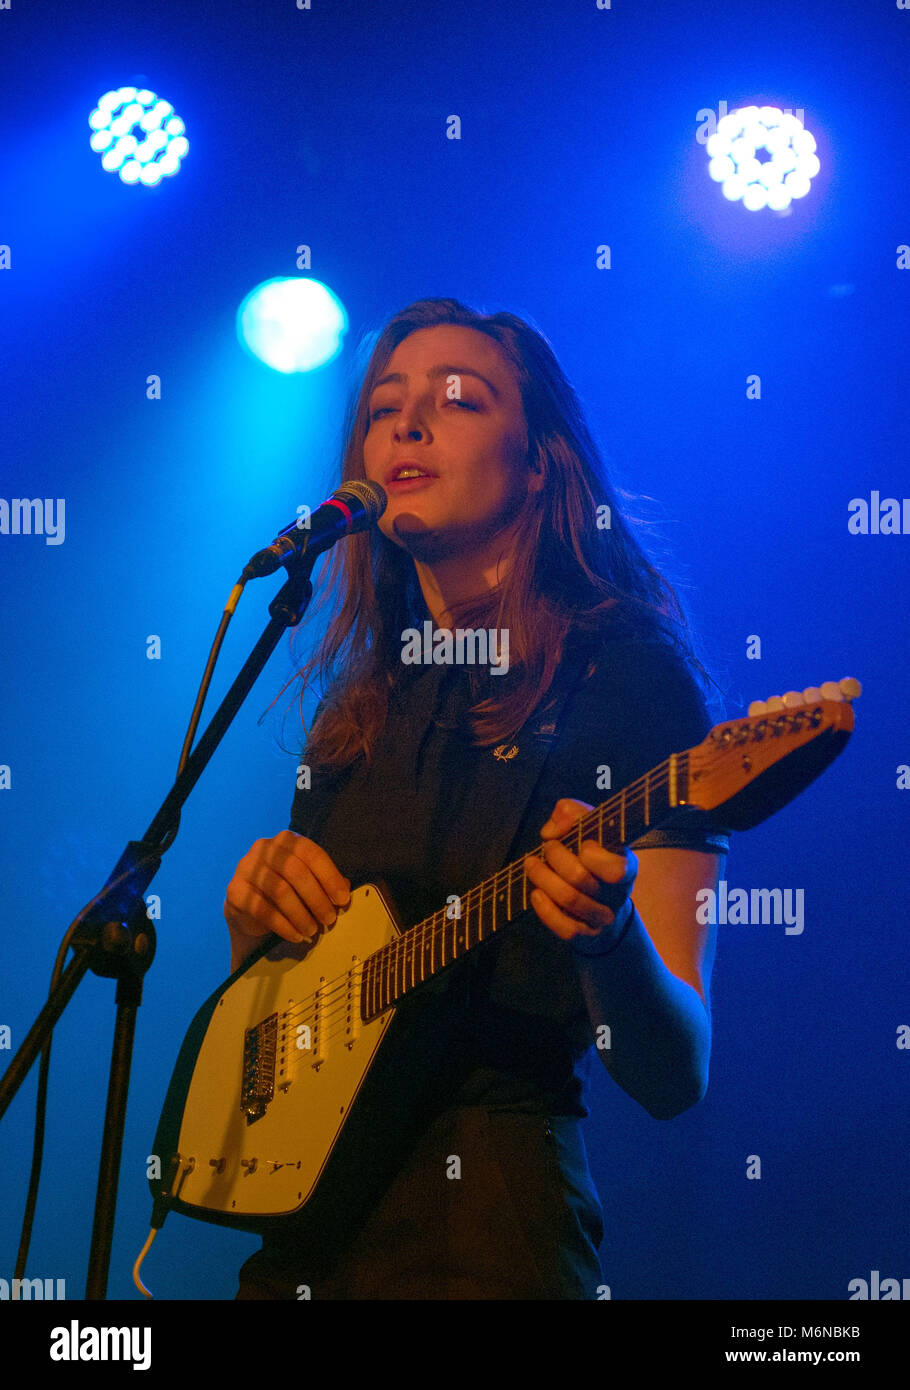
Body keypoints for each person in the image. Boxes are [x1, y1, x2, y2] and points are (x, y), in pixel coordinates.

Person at [225, 298, 732, 1300]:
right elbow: (283, 1033)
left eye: (457, 399)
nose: (408, 424)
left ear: (537, 461)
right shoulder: (359, 706)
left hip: (485, 1218)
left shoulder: (626, 675)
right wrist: (250, 931)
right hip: (307, 1223)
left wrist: (608, 935)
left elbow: (675, 1072)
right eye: (383, 407)